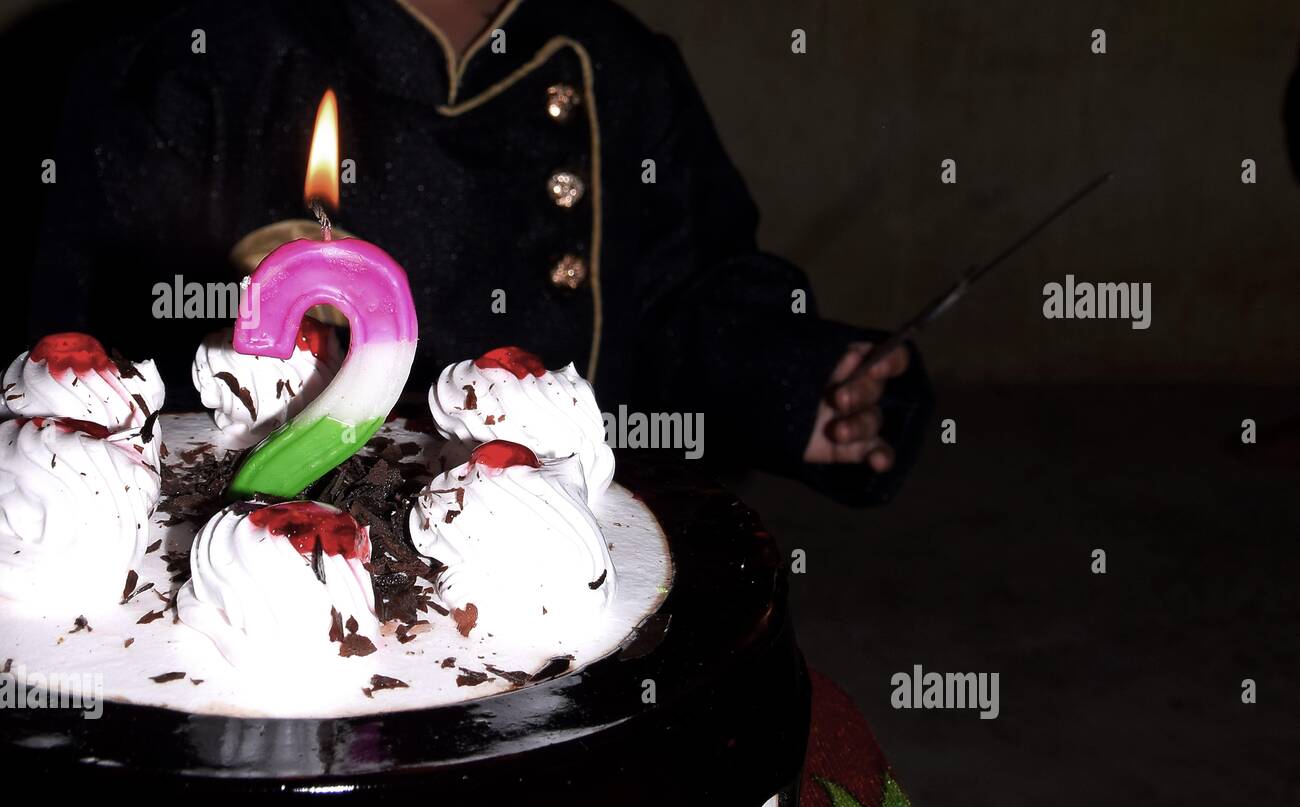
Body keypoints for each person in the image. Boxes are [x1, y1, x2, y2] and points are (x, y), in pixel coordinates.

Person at [26, 0, 931, 506]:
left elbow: (688, 295)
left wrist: (790, 378)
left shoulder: (617, 65)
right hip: (272, 575)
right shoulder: (193, 56)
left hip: (558, 561)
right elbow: (83, 331)